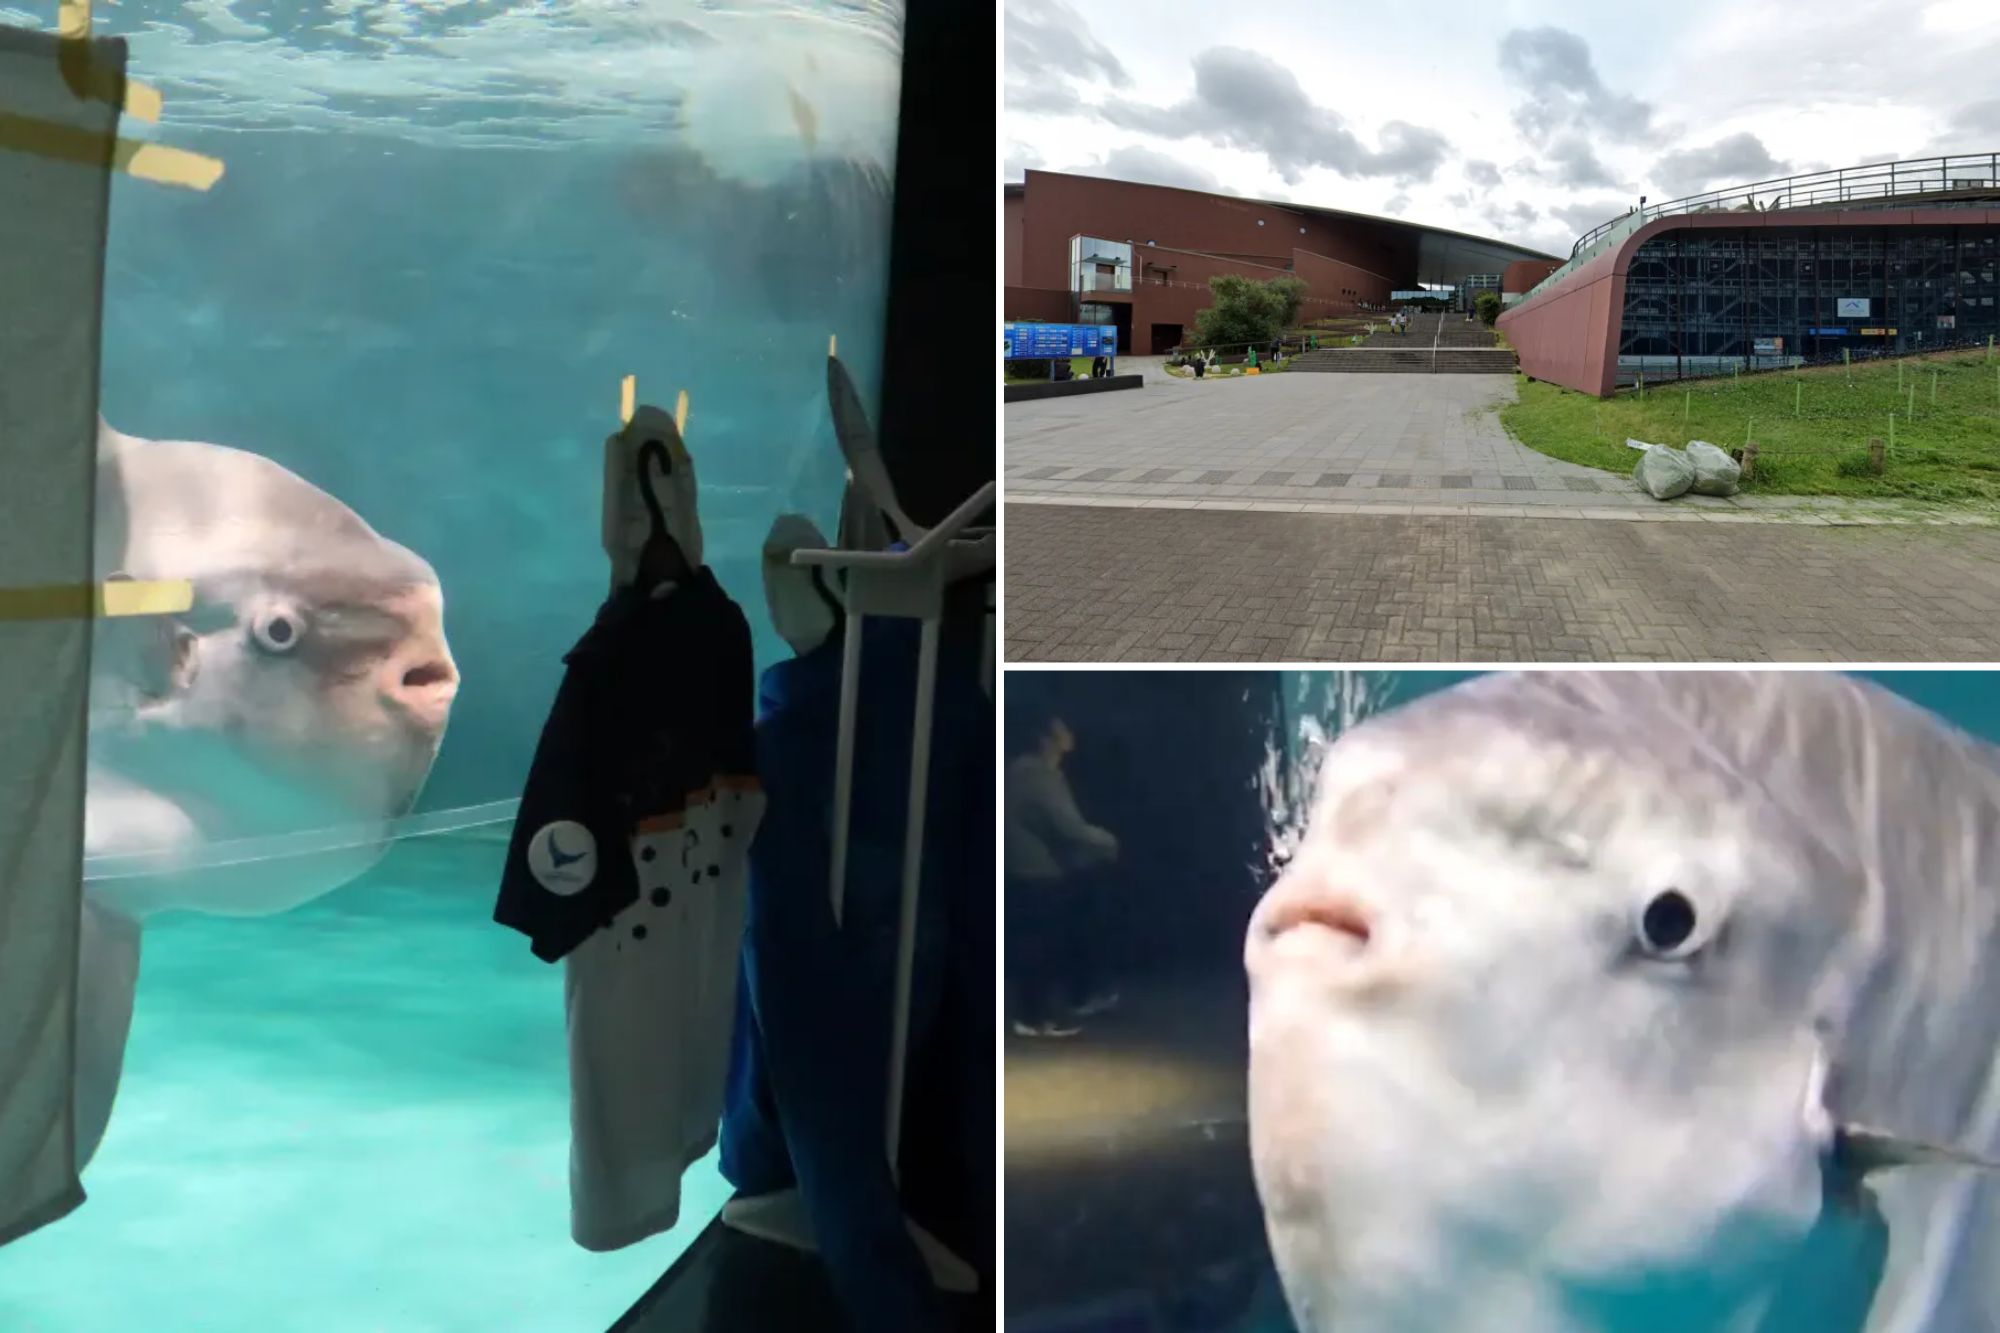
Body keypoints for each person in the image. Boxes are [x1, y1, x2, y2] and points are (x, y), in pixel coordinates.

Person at [1006, 715, 1118, 1037]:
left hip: (1028, 869)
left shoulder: (1029, 772)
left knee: (1038, 943)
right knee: (1040, 945)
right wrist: (1110, 842)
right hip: (1036, 872)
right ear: (1046, 738)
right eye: (1062, 729)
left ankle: (1038, 1014)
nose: (1070, 733)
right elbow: (1069, 828)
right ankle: (1035, 1018)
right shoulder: (1037, 776)